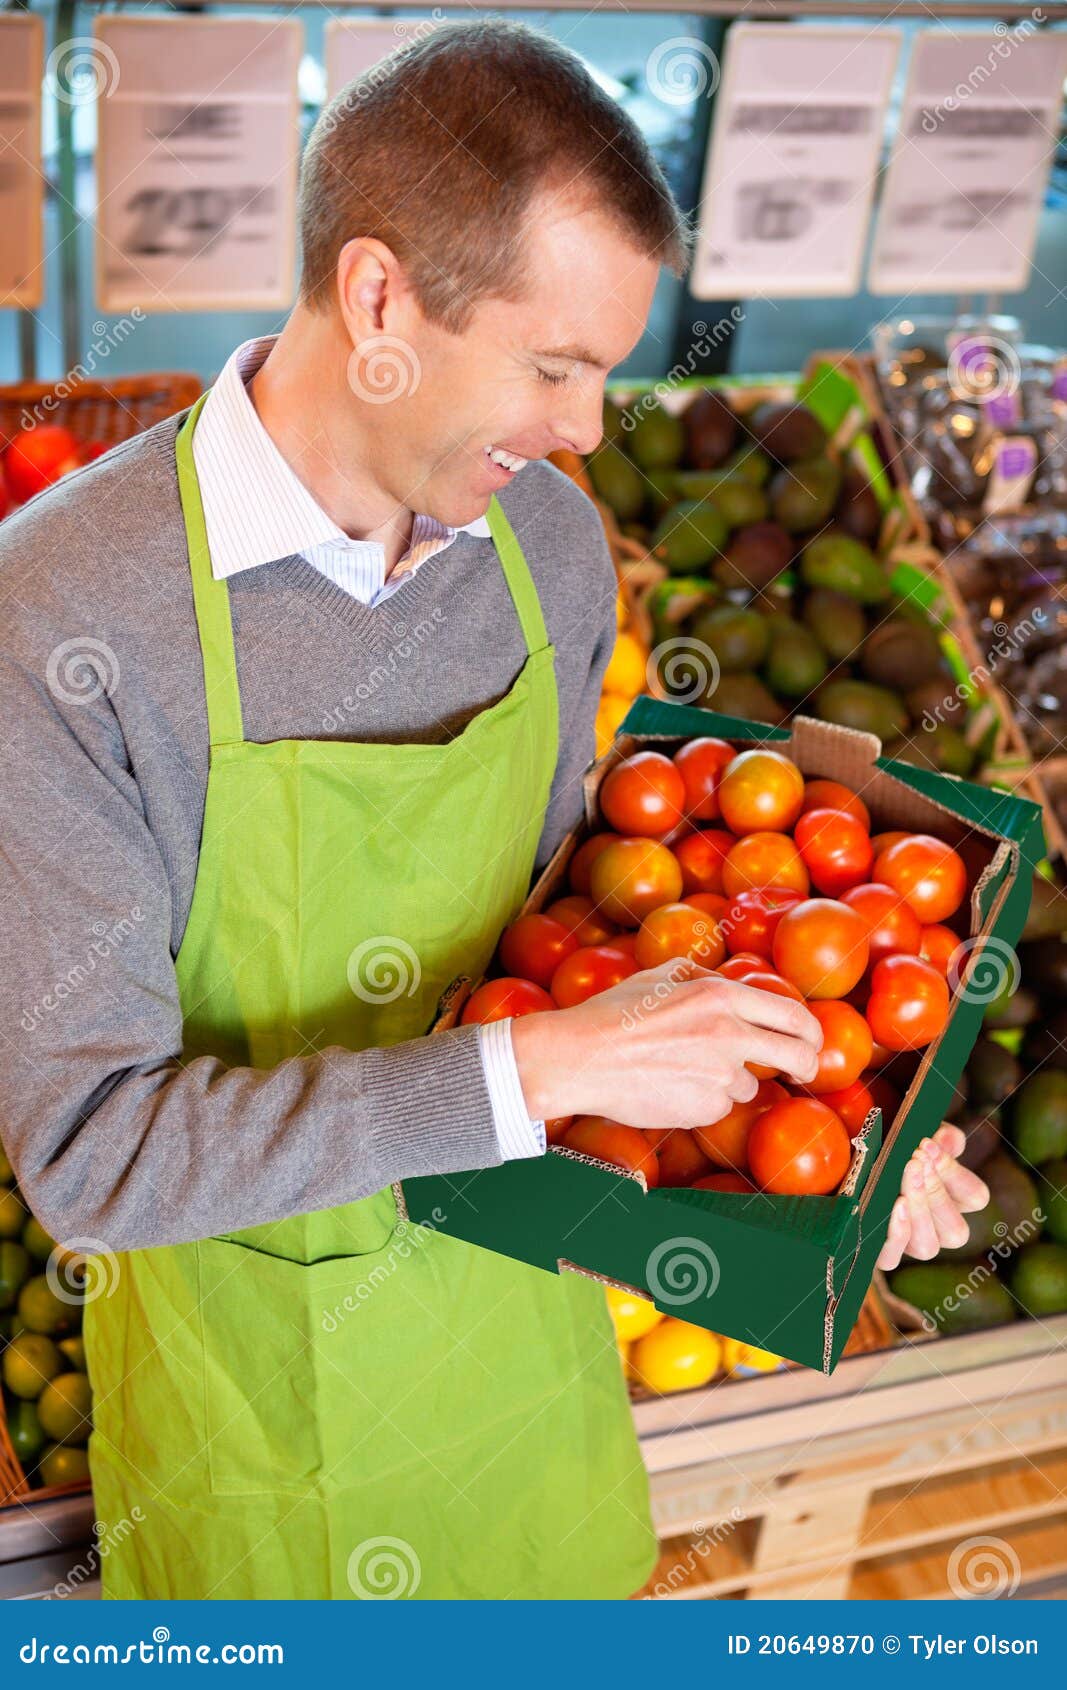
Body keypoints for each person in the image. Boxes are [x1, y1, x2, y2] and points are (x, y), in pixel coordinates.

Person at [0, 20, 987, 1600]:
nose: (590, 430)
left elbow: (569, 955)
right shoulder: (64, 618)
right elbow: (94, 1154)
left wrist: (826, 1148)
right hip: (260, 1448)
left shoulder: (549, 550)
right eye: (556, 367)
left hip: (532, 1388)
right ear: (382, 300)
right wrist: (541, 1067)